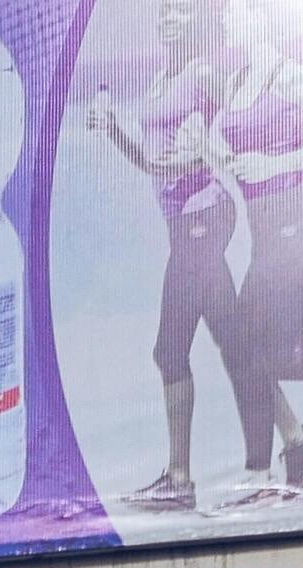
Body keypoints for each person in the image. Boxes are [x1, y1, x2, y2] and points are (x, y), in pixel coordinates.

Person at [85, 0, 247, 515]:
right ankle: (296, 435)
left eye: (179, 11)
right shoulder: (160, 78)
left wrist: (204, 149)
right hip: (185, 222)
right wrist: (113, 131)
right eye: (163, 11)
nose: (167, 18)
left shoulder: (203, 73)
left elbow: (232, 136)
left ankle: (180, 479)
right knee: (230, 337)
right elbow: (153, 165)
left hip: (205, 216)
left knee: (169, 350)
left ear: (197, 20)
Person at [209, 0, 303, 507]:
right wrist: (214, 154)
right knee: (249, 351)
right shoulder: (236, 84)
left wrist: (274, 161)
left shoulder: (290, 73)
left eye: (241, 13)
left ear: (263, 17)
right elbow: (220, 147)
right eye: (228, 15)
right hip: (265, 232)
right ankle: (296, 442)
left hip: (299, 224)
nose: (232, 21)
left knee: (260, 351)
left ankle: (264, 467)